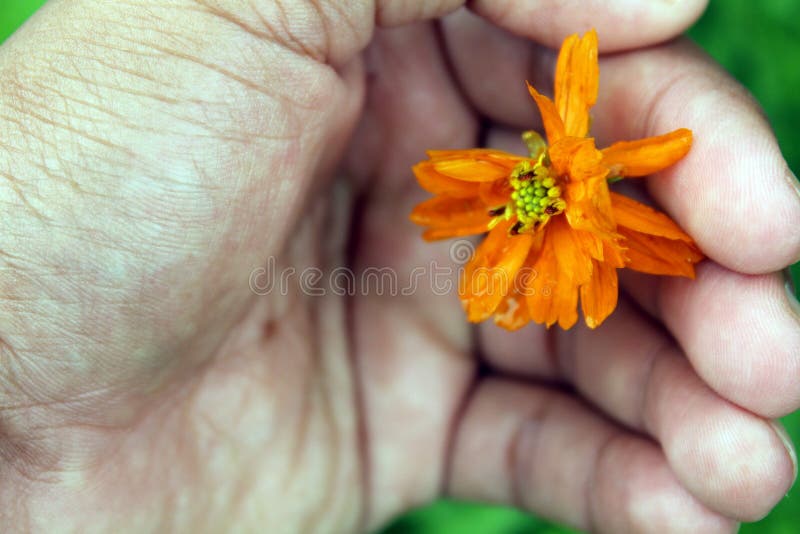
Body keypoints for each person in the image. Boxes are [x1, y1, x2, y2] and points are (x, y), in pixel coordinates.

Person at [0, 1, 798, 532]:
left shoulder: (575, 183)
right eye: (530, 190)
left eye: (534, 192)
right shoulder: (518, 193)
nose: (530, 193)